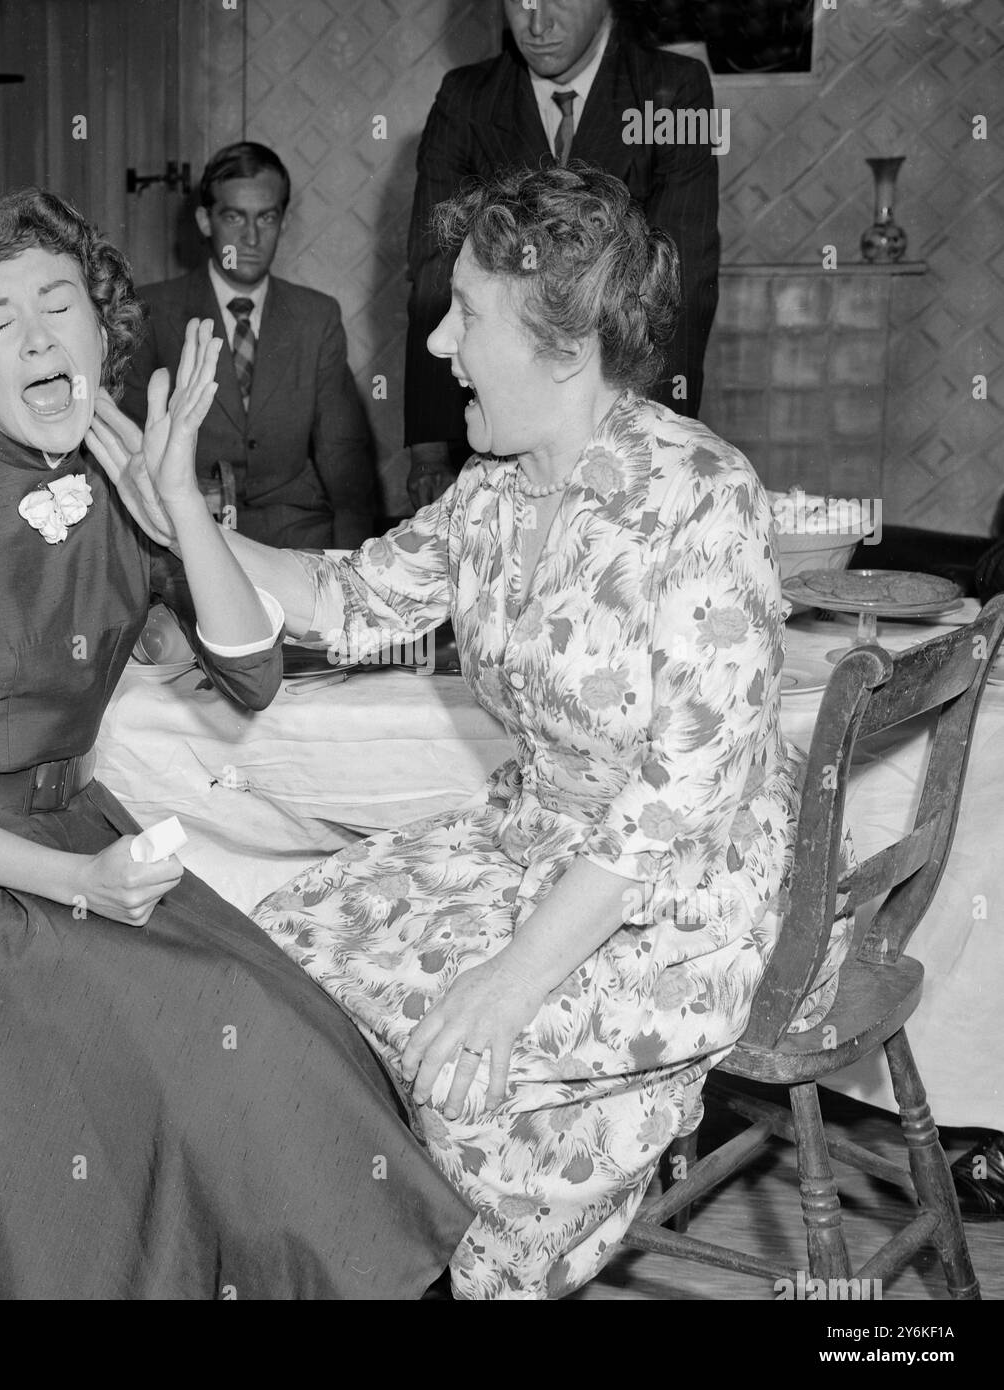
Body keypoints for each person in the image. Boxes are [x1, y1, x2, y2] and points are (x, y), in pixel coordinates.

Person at [0, 188, 469, 1300]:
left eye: (60, 304)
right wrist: (77, 878)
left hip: (72, 835)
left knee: (286, 1032)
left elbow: (250, 673)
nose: (39, 336)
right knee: (148, 1062)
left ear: (102, 327)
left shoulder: (124, 487)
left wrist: (179, 503)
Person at [208, 166, 849, 1299]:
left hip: (687, 886)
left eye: (469, 312)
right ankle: (355, 1245)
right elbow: (348, 599)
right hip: (536, 835)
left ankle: (473, 1259)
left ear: (563, 346)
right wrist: (170, 511)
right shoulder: (490, 492)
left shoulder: (702, 498)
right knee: (278, 940)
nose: (442, 342)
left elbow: (670, 813)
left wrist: (507, 984)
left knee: (460, 1062)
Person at [405, 0, 720, 508]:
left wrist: (639, 448)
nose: (538, 23)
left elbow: (684, 274)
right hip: (498, 429)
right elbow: (433, 275)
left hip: (619, 412)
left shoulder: (675, 91)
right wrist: (428, 453)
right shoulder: (465, 98)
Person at [122, 142, 377, 550]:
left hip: (296, 540)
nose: (252, 237)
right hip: (185, 538)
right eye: (234, 217)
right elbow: (128, 449)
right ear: (206, 221)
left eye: (267, 217)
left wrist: (353, 574)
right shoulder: (153, 312)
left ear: (283, 222)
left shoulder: (317, 317)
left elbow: (346, 462)